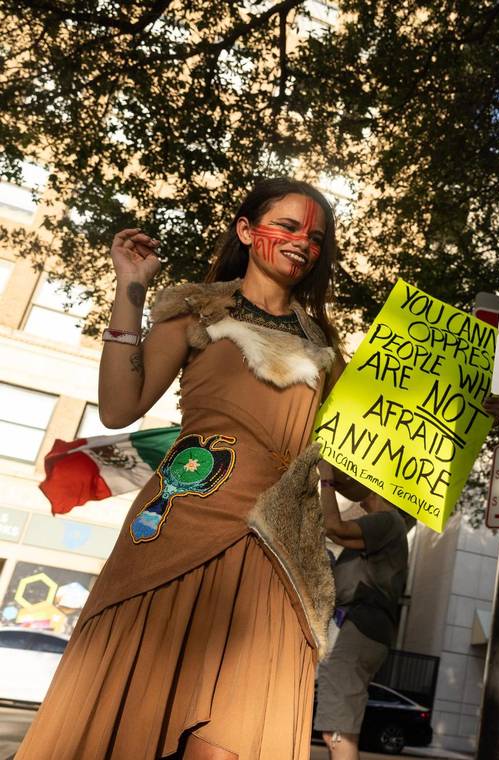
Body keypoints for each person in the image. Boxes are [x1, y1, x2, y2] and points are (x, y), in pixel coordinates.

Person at [17, 178, 365, 760]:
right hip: (179, 531)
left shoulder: (326, 349)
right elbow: (120, 406)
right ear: (247, 230)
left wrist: (453, 419)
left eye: (316, 236)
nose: (304, 242)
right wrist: (130, 289)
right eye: (287, 226)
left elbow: (351, 472)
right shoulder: (196, 312)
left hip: (277, 557)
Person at [314, 463, 409, 760]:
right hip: (365, 630)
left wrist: (327, 481)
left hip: (357, 629)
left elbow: (334, 527)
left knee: (336, 732)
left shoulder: (388, 521)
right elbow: (338, 536)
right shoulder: (384, 528)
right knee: (340, 730)